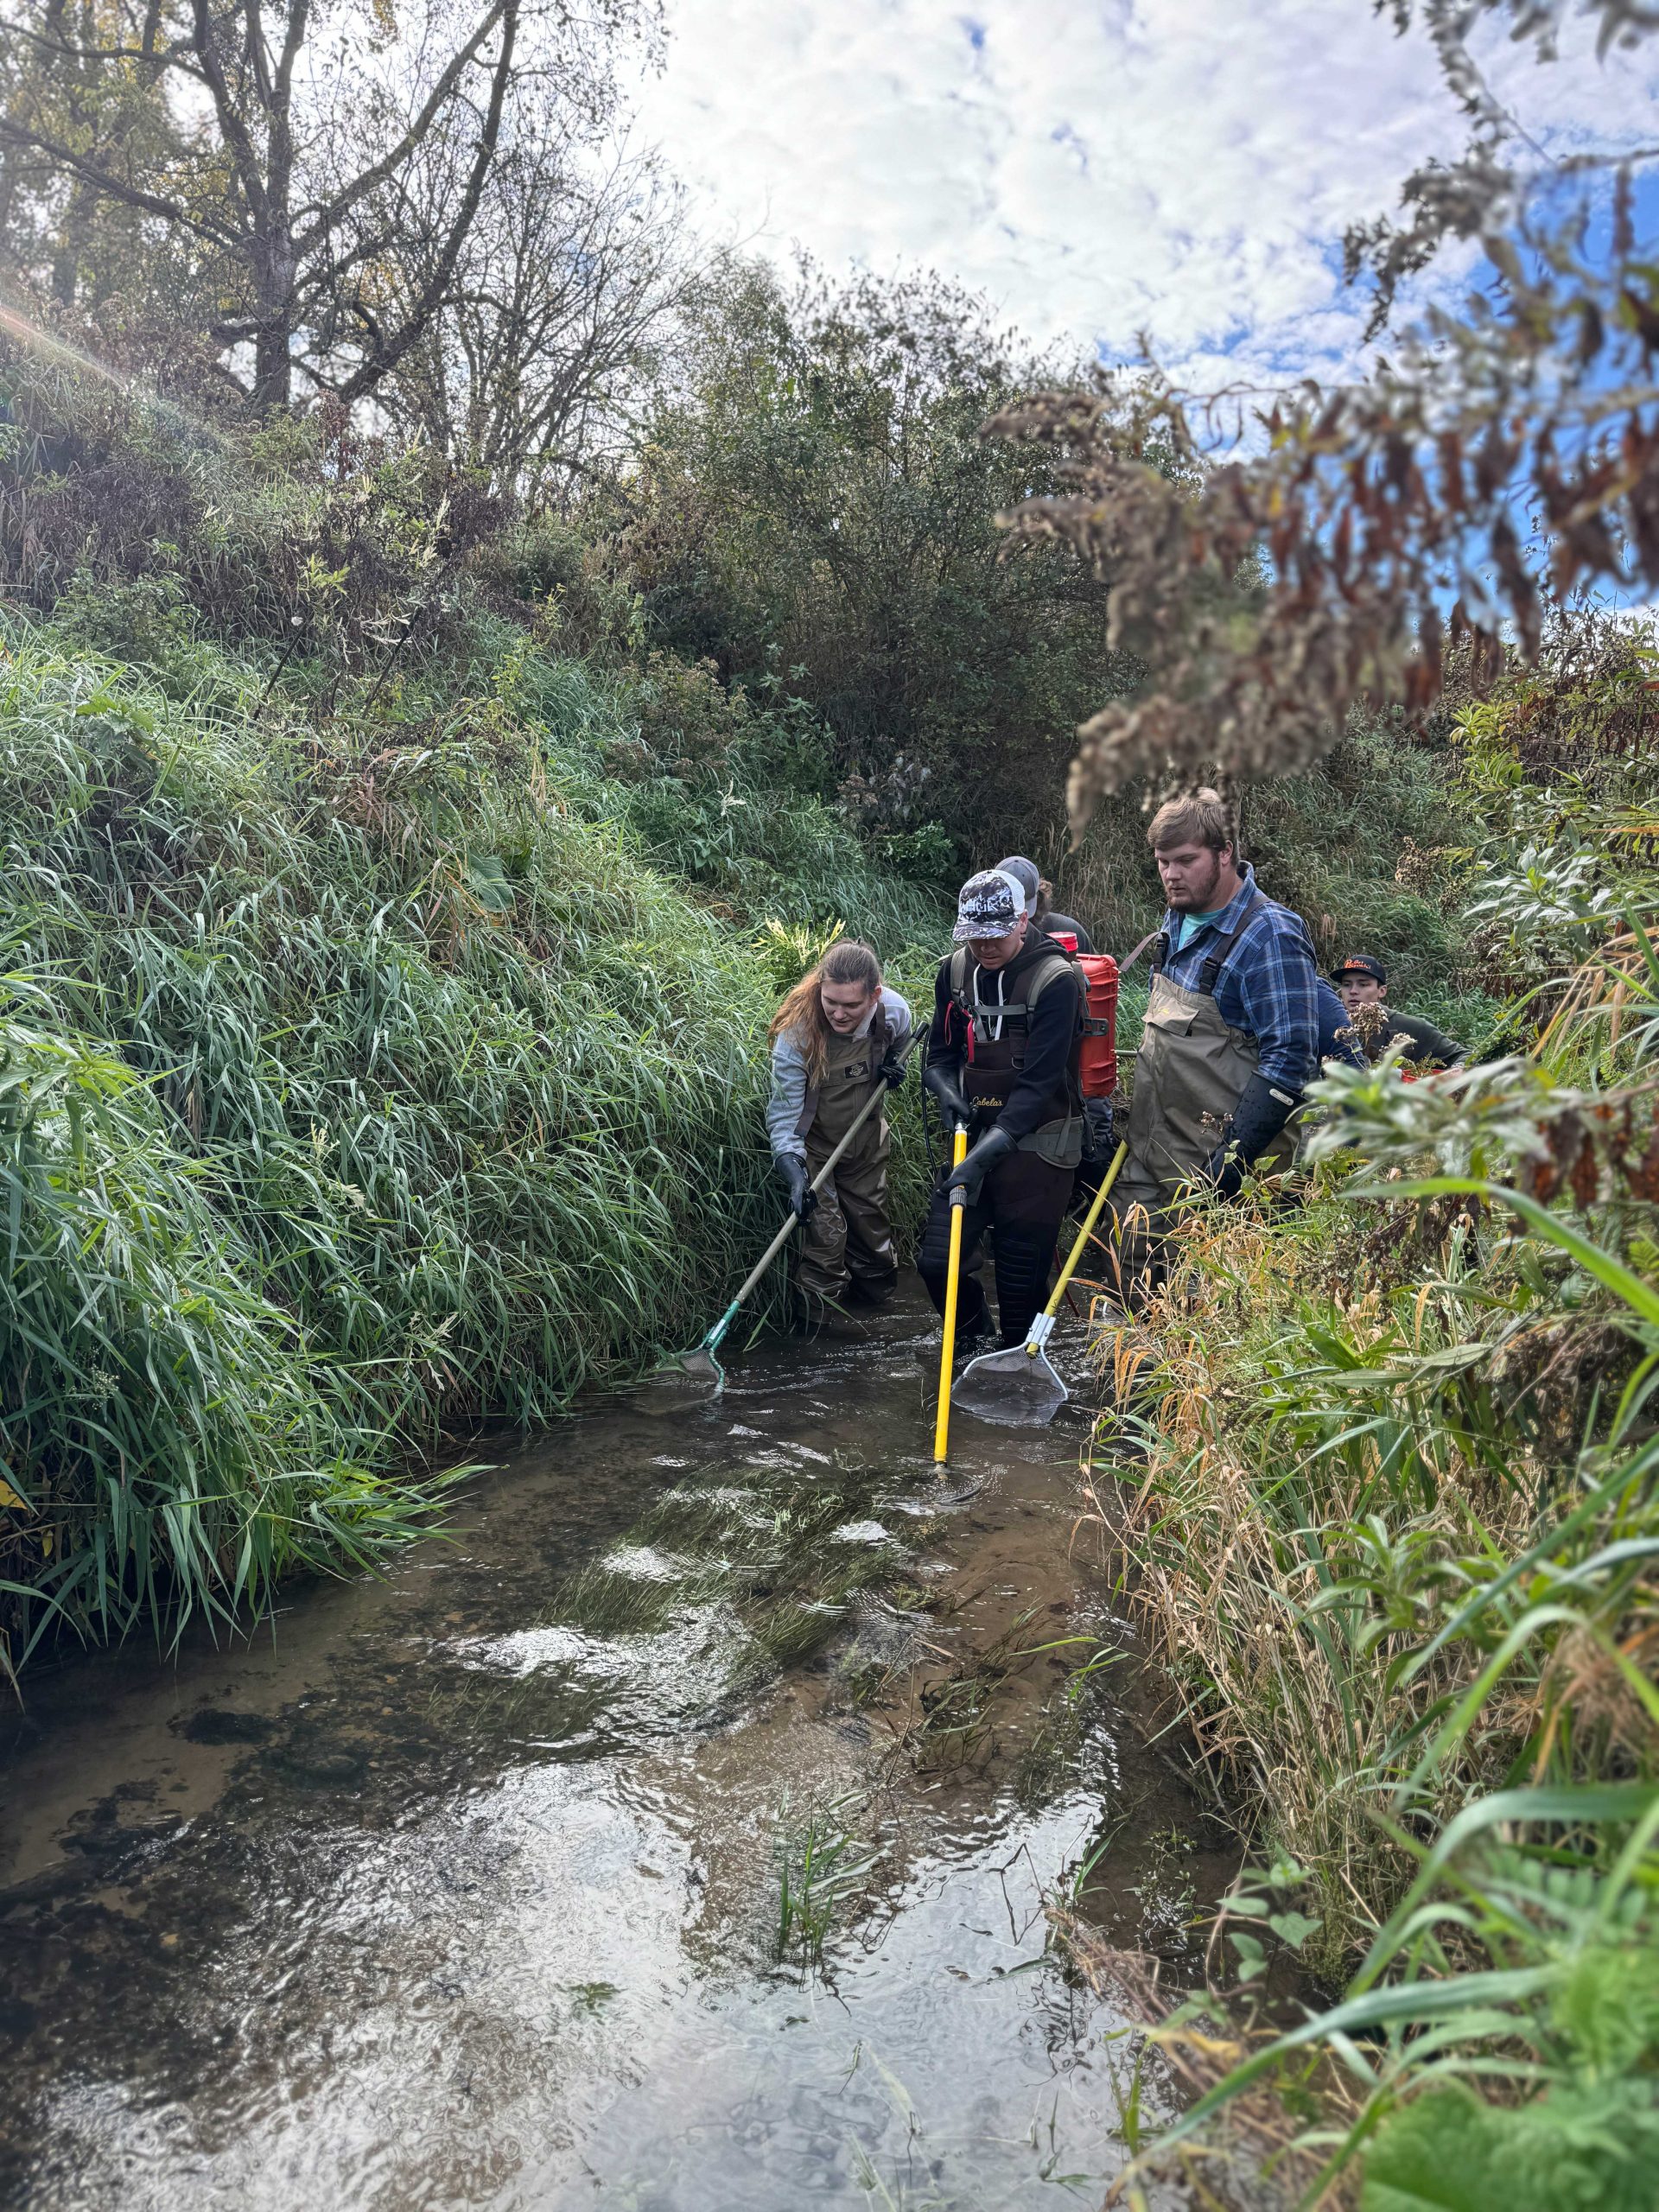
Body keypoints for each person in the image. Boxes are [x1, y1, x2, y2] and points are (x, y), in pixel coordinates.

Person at [1107, 790, 1320, 1289]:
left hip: (1226, 1177)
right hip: (1150, 1158)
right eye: (1163, 862)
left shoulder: (1270, 936)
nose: (1171, 875)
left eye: (1185, 860)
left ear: (1225, 853)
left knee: (1208, 1313)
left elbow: (1292, 1059)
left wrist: (1232, 1164)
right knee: (1126, 1285)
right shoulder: (1178, 918)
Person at [917, 868, 1084, 1350]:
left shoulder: (1056, 981)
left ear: (1022, 920)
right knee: (936, 1264)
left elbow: (1038, 1085)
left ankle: (1015, 1361)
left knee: (1019, 1296)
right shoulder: (954, 972)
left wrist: (981, 1160)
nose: (984, 949)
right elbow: (942, 1055)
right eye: (974, 939)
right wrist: (946, 1091)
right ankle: (971, 1343)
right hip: (973, 1137)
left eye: (994, 937)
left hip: (1039, 1147)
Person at [766, 939, 912, 1319]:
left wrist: (894, 1067)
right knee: (826, 1243)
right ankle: (818, 1334)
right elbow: (783, 1118)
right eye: (831, 1002)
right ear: (820, 989)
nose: (839, 1014)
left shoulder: (894, 1013)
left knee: (873, 1241)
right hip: (814, 1151)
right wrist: (794, 1173)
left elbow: (899, 1048)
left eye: (851, 1005)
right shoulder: (797, 1035)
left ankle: (875, 1321)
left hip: (866, 1143)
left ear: (875, 995)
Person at [1332, 954, 1465, 1070]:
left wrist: (1455, 1072)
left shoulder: (1410, 1026)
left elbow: (1465, 1056)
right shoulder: (1333, 1028)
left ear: (1382, 991)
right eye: (1346, 984)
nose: (1353, 991)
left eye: (1363, 984)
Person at [995, 855, 1096, 952]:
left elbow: (1098, 966)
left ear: (1039, 897)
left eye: (1022, 915)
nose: (1020, 924)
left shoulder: (1067, 930)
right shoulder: (984, 940)